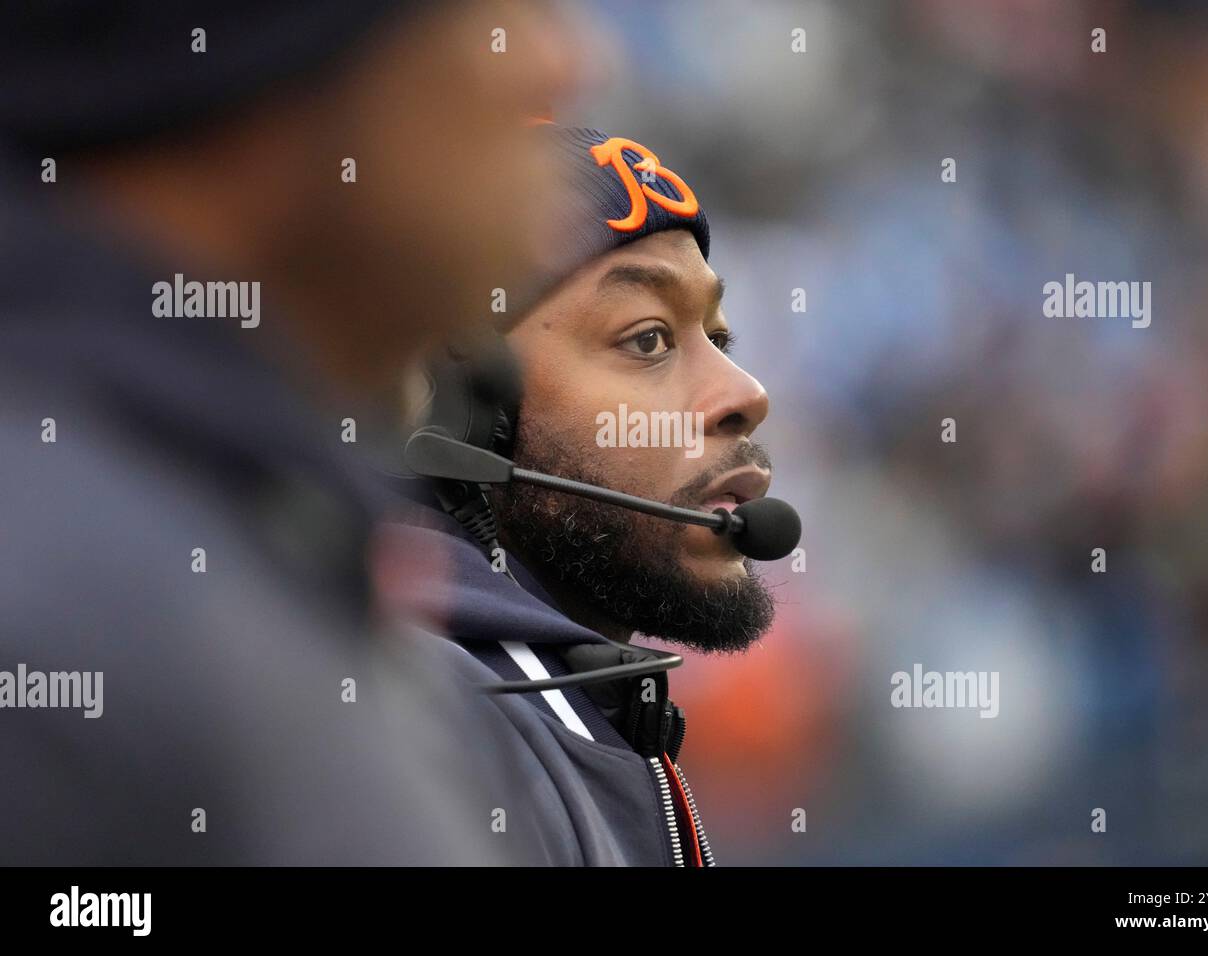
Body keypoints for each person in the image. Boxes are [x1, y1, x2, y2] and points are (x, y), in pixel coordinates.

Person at [0, 0, 582, 864]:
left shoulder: (255, 521)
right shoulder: (70, 603)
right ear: (260, 70)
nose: (565, 66)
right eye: (495, 16)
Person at [377, 126, 784, 866]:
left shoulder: (555, 706)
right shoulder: (435, 734)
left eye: (717, 339)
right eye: (648, 339)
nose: (745, 395)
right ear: (459, 410)